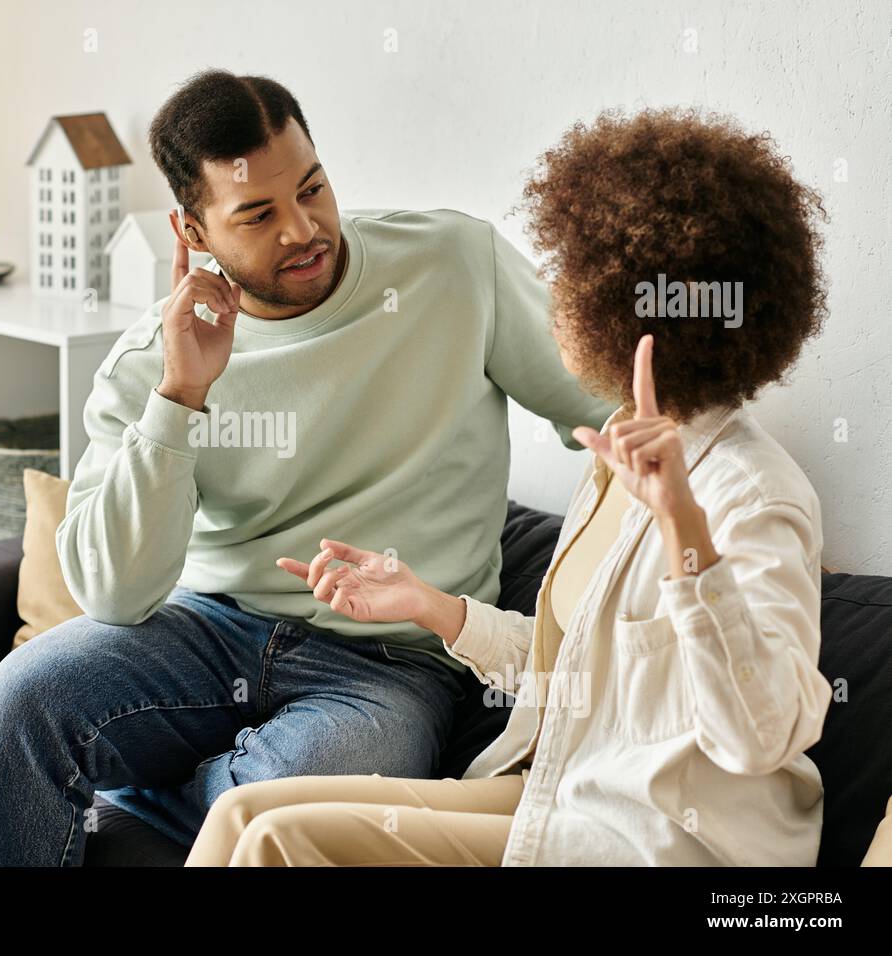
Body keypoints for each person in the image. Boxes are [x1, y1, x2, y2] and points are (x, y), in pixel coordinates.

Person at [0, 69, 613, 865]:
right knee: (11, 705)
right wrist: (181, 394)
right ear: (193, 233)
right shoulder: (150, 363)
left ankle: (170, 789)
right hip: (206, 629)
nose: (304, 230)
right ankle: (192, 785)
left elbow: (610, 415)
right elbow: (114, 594)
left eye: (312, 189)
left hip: (390, 664)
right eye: (259, 215)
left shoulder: (454, 266)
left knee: (290, 798)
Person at [185, 107, 832, 867]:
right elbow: (579, 674)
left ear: (627, 308)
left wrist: (683, 527)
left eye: (572, 274)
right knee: (245, 810)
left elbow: (763, 734)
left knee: (279, 842)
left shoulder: (752, 494)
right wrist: (428, 605)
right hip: (566, 793)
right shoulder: (616, 460)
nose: (552, 293)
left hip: (667, 842)